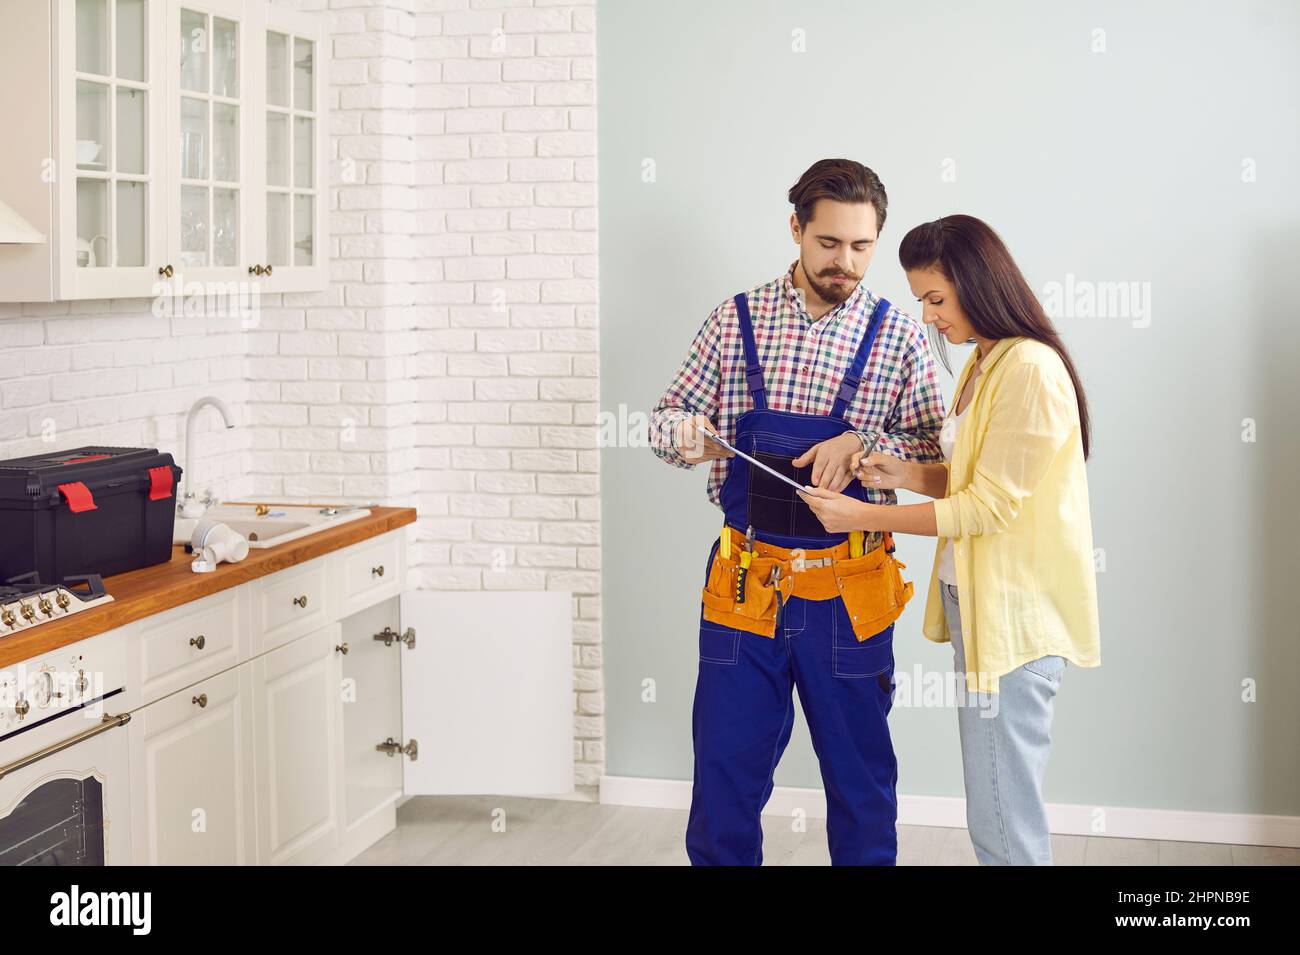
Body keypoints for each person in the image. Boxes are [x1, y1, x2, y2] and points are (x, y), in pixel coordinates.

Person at [649, 158, 945, 865]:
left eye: (861, 247)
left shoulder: (900, 336)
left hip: (848, 591)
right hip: (743, 588)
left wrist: (865, 444)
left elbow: (941, 458)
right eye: (829, 243)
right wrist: (681, 436)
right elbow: (663, 421)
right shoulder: (733, 320)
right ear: (796, 229)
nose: (845, 262)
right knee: (723, 777)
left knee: (860, 781)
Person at [798, 214, 1102, 865]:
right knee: (991, 795)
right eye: (921, 301)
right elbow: (969, 478)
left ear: (975, 283)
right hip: (979, 608)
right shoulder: (983, 364)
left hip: (1014, 617)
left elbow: (985, 507)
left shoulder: (1029, 370)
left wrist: (863, 517)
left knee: (1002, 803)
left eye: (936, 299)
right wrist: (903, 472)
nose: (930, 316)